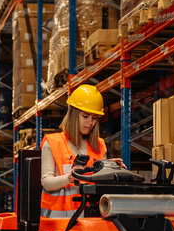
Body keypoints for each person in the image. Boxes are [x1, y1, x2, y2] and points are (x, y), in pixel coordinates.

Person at [40, 84, 125, 220]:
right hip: (59, 223)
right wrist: (69, 178)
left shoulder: (99, 145)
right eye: (85, 116)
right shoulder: (52, 142)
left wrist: (109, 169)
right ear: (73, 114)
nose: (90, 122)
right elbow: (46, 182)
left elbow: (100, 185)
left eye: (94, 118)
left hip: (92, 220)